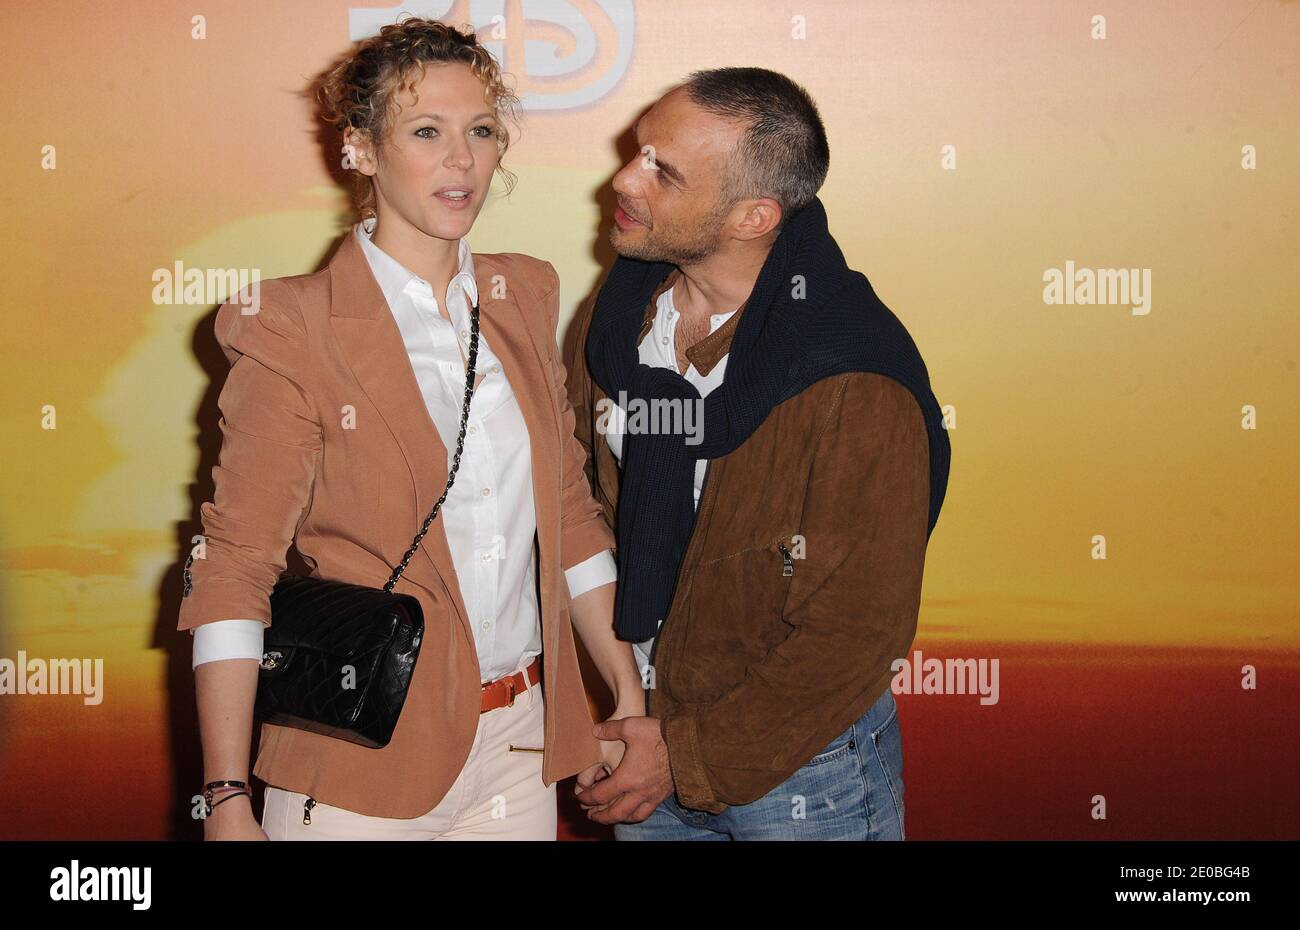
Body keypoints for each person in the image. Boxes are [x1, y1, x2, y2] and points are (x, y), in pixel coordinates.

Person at [180, 17, 641, 841]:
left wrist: (627, 694)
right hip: (363, 755)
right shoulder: (291, 325)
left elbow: (568, 514)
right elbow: (236, 564)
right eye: (426, 132)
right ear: (360, 149)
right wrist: (224, 795)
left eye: (481, 131)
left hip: (520, 746)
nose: (461, 160)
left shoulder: (523, 295)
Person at [568, 68, 952, 840]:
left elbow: (853, 633)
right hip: (644, 737)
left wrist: (684, 757)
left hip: (804, 771)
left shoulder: (852, 373)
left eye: (661, 171)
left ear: (753, 216)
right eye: (639, 150)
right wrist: (635, 717)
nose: (623, 179)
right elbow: (585, 508)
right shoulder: (616, 318)